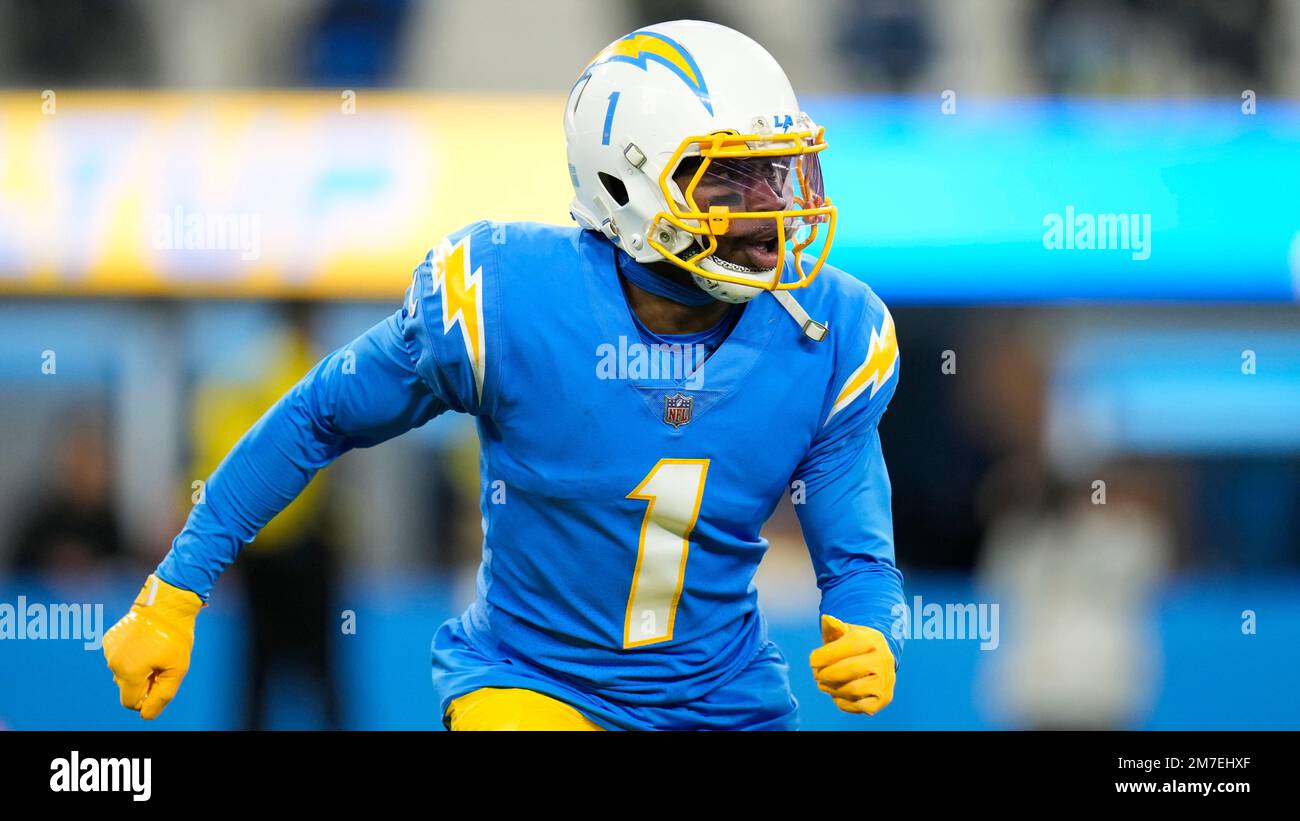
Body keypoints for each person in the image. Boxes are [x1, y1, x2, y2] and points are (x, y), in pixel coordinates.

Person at [103, 19, 904, 730]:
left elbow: (854, 545)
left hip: (722, 698)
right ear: (625, 181)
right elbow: (322, 414)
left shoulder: (827, 330)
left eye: (781, 171)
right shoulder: (509, 300)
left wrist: (869, 622)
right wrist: (177, 585)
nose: (772, 212)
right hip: (535, 687)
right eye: (731, 181)